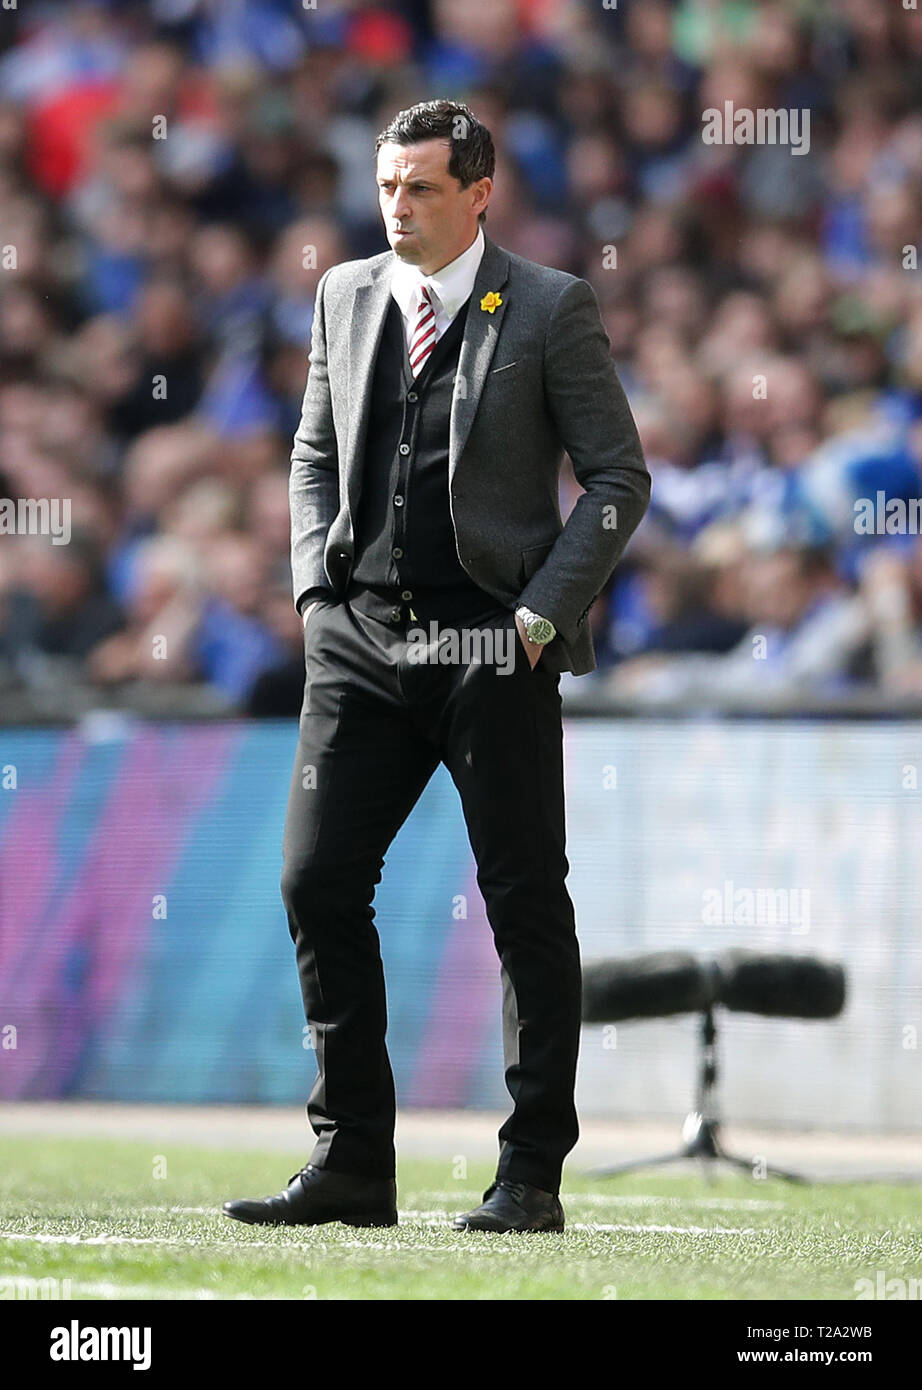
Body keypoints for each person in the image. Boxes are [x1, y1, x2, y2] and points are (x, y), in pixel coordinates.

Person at [223, 99, 650, 1234]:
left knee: (521, 900)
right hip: (359, 636)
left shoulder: (553, 306)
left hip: (489, 644)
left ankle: (529, 1175)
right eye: (387, 187)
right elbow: (312, 455)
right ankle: (354, 1159)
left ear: (477, 194)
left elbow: (618, 481)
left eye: (419, 188)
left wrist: (542, 619)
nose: (396, 207)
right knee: (314, 882)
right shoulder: (343, 294)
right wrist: (317, 596)